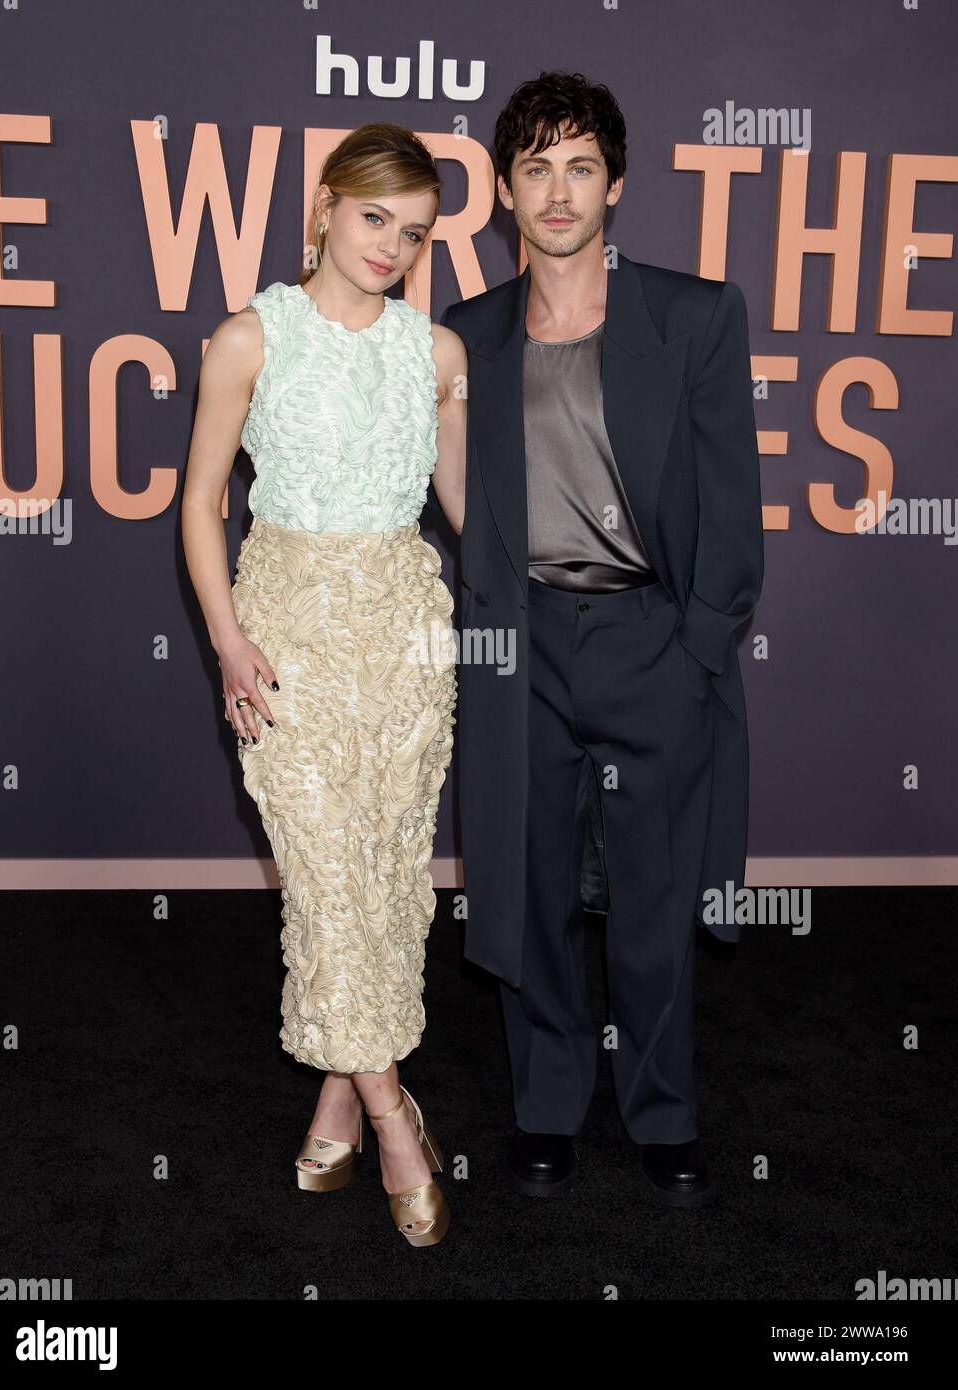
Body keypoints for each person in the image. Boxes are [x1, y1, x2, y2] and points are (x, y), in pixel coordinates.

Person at [439, 72, 764, 1206]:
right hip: (519, 649)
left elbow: (730, 509)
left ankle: (663, 1109)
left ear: (614, 184)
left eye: (580, 166)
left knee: (653, 896)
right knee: (523, 890)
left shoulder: (692, 316)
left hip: (645, 637)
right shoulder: (464, 338)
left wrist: (696, 652)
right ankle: (543, 1105)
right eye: (535, 168)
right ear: (503, 192)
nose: (558, 189)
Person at [181, 123, 467, 1247]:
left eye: (415, 233)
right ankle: (395, 1114)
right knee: (320, 876)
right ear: (325, 207)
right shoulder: (248, 340)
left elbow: (468, 515)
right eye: (373, 219)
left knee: (388, 871)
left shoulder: (436, 355)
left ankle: (336, 1099)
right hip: (285, 626)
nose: (391, 247)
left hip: (402, 631)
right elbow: (201, 503)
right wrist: (228, 641)